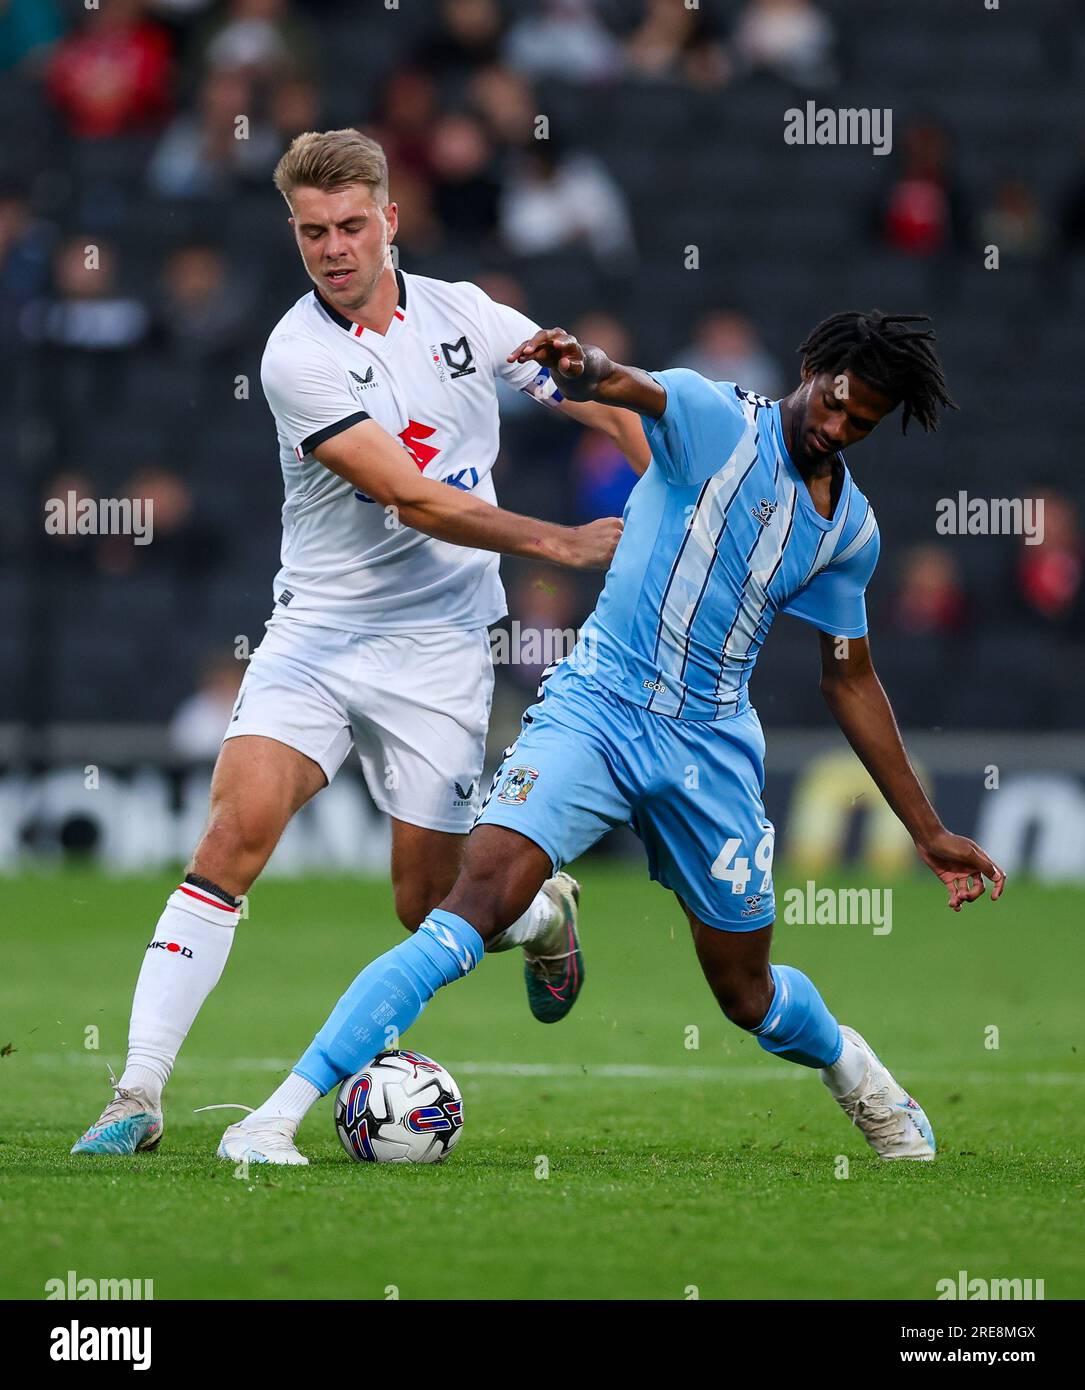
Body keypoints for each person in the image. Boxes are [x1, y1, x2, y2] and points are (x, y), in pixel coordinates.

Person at [240, 310, 1007, 1166]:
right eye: (831, 401)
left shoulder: (848, 533)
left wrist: (927, 831)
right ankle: (276, 1116)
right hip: (594, 712)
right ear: (809, 366)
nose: (834, 426)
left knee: (746, 995)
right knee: (469, 905)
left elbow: (849, 678)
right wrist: (580, 365)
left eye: (859, 421)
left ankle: (857, 1075)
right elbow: (619, 384)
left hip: (710, 747)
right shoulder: (714, 419)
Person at [71, 128, 649, 1159]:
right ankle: (137, 1090)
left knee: (423, 903)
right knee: (230, 838)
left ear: (389, 218)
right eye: (309, 232)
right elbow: (410, 497)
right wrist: (560, 540)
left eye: (348, 225)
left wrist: (658, 492)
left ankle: (542, 917)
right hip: (319, 636)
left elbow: (599, 394)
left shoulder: (468, 315)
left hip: (438, 651)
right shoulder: (294, 354)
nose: (332, 248)